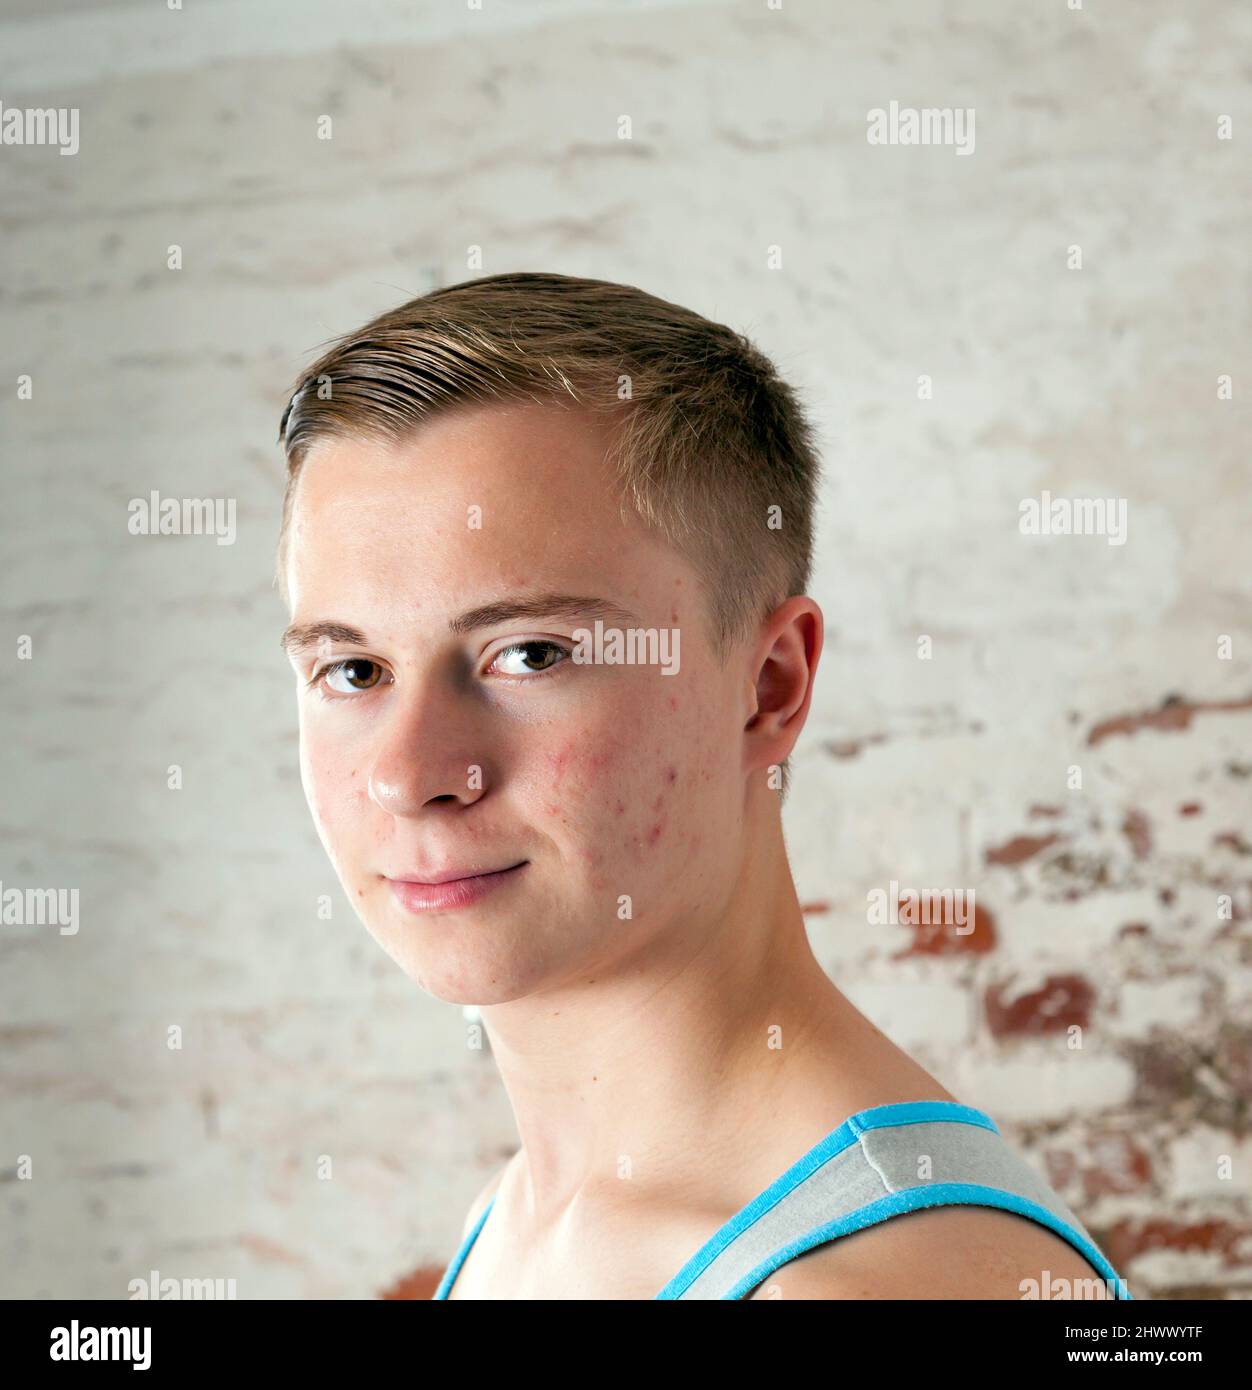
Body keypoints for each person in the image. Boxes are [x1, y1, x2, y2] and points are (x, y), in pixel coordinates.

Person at [275, 272, 1132, 1301]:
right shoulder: (513, 1223)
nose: (411, 775)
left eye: (531, 654)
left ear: (767, 685)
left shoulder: (865, 1285)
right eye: (353, 670)